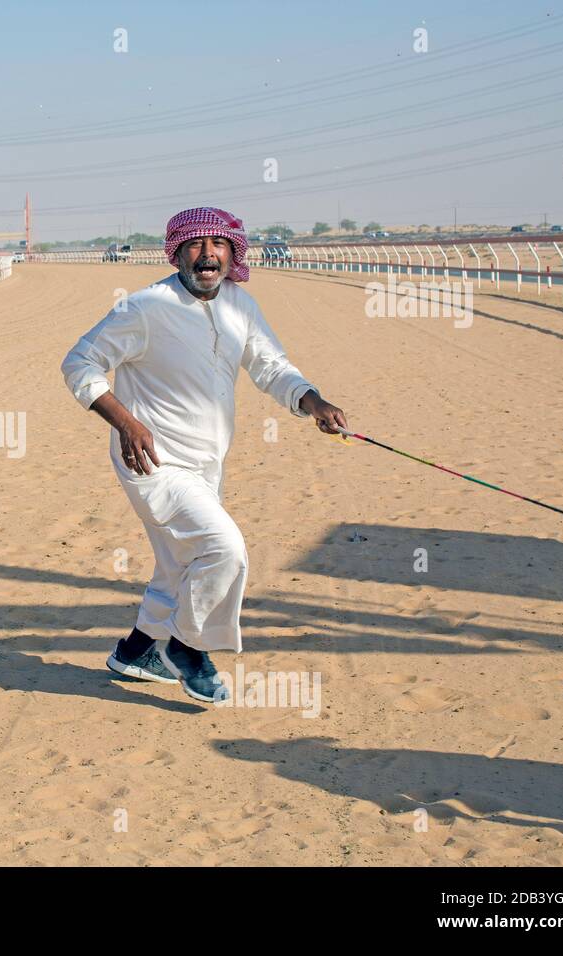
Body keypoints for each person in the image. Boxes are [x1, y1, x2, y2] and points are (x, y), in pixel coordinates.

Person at [60, 206, 348, 702]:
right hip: (153, 461)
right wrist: (126, 422)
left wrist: (312, 401)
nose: (208, 254)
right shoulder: (146, 308)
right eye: (196, 244)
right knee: (223, 548)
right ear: (178, 252)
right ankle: (188, 647)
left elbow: (271, 366)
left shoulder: (241, 305)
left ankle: (136, 650)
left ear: (233, 253)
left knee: (179, 562)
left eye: (218, 245)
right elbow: (79, 362)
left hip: (207, 462)